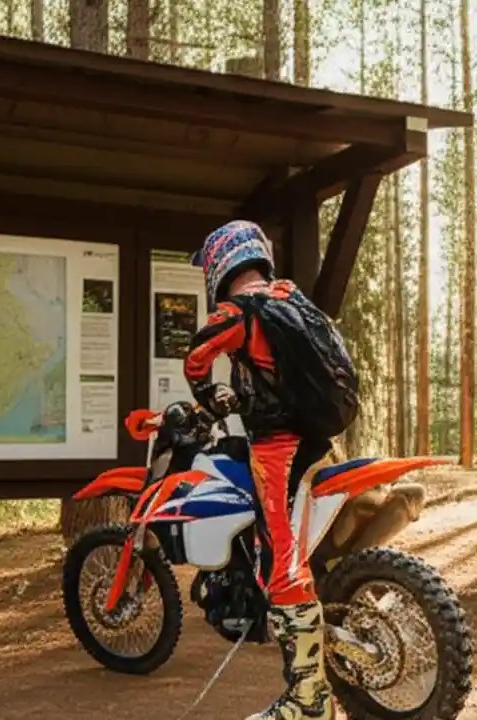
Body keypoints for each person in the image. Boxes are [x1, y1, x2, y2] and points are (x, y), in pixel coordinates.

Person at [184, 220, 336, 720]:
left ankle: (309, 701)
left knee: (281, 559)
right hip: (316, 436)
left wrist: (208, 395)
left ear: (219, 265)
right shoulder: (290, 296)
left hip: (277, 448)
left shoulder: (237, 311)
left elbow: (196, 359)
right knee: (295, 547)